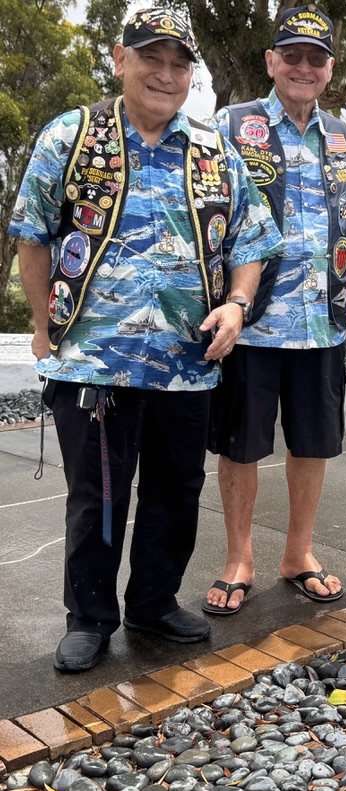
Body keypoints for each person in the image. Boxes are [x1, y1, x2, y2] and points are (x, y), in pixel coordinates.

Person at [9, 6, 284, 672]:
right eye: (151, 58)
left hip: (187, 366)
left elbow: (253, 240)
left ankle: (154, 602)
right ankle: (91, 616)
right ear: (119, 58)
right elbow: (33, 234)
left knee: (175, 489)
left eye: (178, 63)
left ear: (191, 72)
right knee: (98, 495)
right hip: (95, 365)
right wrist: (44, 329)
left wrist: (239, 305)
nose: (165, 74)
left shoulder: (215, 148)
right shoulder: (71, 136)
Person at [204, 5, 346, 614]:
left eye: (315, 58)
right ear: (271, 61)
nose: (303, 67)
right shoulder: (231, 124)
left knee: (312, 444)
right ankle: (238, 556)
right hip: (250, 324)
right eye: (291, 55)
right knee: (240, 445)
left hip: (321, 322)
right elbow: (211, 214)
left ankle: (299, 551)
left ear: (329, 68)